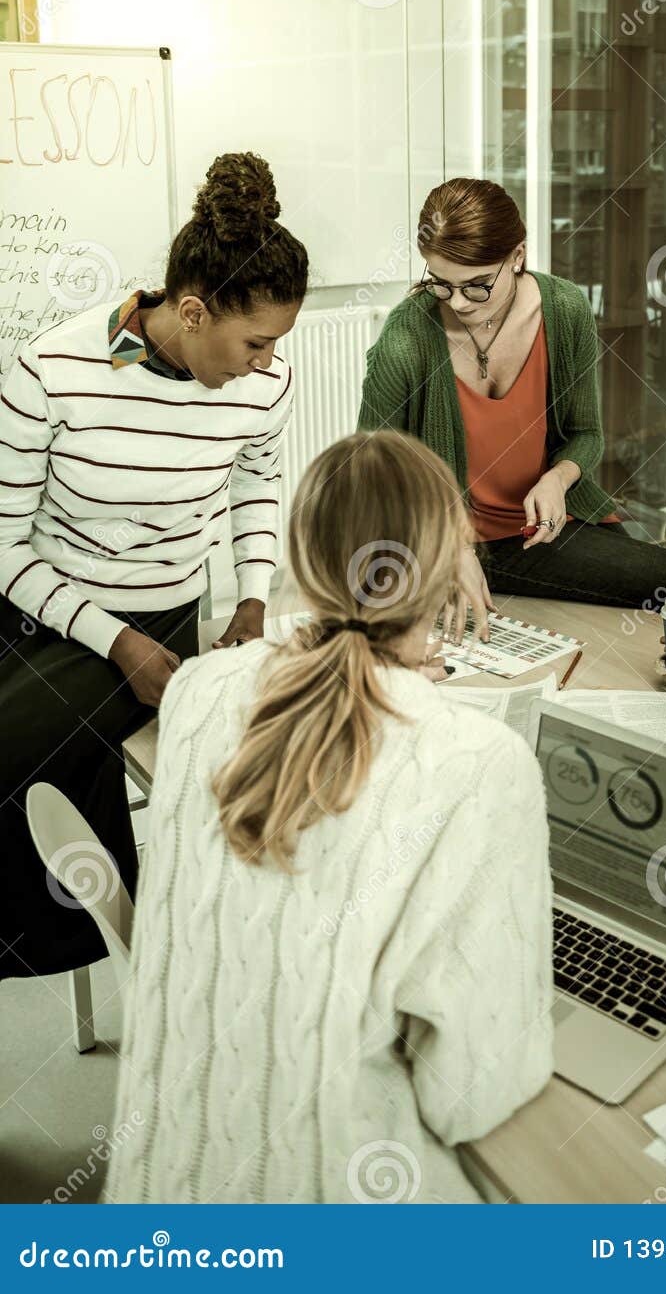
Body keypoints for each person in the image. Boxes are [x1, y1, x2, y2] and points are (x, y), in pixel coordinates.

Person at [104, 430, 554, 1205]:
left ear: (301, 557)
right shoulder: (477, 759)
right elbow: (469, 1092)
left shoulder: (198, 691)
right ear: (450, 563)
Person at [0, 152, 308, 980]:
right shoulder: (52, 369)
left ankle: (86, 936)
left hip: (160, 614)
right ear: (196, 311)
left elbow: (257, 477)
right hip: (43, 605)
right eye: (255, 342)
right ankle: (78, 931)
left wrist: (251, 597)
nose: (267, 365)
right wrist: (113, 641)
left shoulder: (260, 386)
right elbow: (2, 545)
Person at [358, 177, 666, 635]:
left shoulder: (564, 309)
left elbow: (586, 434)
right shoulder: (406, 338)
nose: (459, 303)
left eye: (477, 285)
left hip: (540, 531)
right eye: (441, 285)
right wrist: (451, 547)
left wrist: (558, 479)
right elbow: (369, 471)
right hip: (443, 538)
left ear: (517, 256)